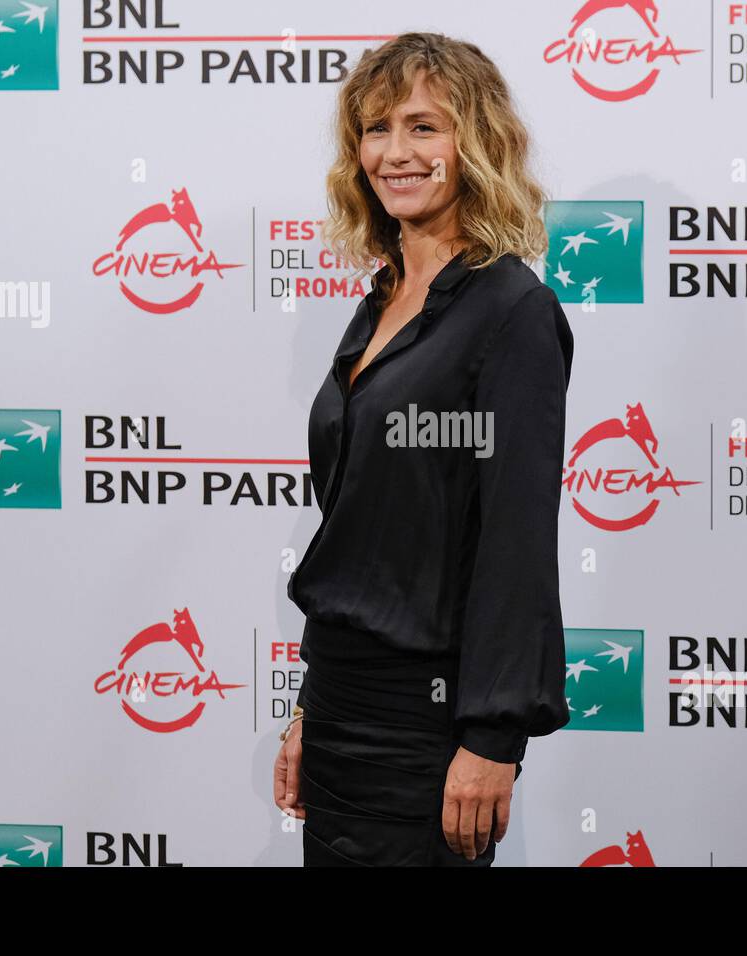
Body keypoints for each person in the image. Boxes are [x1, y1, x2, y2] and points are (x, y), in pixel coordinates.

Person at [272, 32, 573, 867]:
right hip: (340, 707)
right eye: (374, 129)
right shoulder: (380, 300)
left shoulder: (511, 312)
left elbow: (515, 540)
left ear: (474, 142)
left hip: (426, 728)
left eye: (423, 127)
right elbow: (359, 535)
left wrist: (492, 738)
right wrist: (308, 708)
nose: (393, 153)